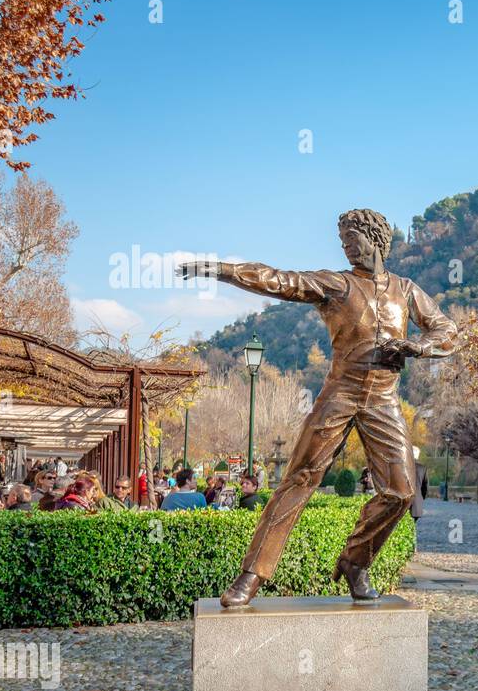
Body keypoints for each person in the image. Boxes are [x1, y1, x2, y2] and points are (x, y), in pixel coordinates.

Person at [179, 207, 457, 607]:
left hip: (383, 399)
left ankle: (355, 561)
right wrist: (222, 269)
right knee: (298, 480)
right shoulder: (336, 284)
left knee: (400, 491)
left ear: (375, 239)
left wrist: (419, 346)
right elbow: (278, 280)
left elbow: (448, 330)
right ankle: (252, 574)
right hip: (340, 394)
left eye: (351, 238)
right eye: (342, 240)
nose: (345, 246)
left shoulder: (407, 290)